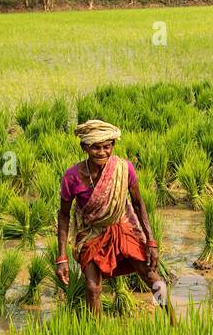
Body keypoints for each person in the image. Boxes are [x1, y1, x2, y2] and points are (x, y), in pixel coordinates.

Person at [56, 119, 169, 315]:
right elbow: (64, 216)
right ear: (84, 147)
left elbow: (138, 204)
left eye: (107, 147)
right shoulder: (72, 177)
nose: (102, 152)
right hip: (91, 233)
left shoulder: (124, 169)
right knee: (92, 288)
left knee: (152, 277)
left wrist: (150, 241)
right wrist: (62, 257)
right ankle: (96, 334)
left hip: (122, 227)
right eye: (95, 147)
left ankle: (173, 319)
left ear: (113, 146)